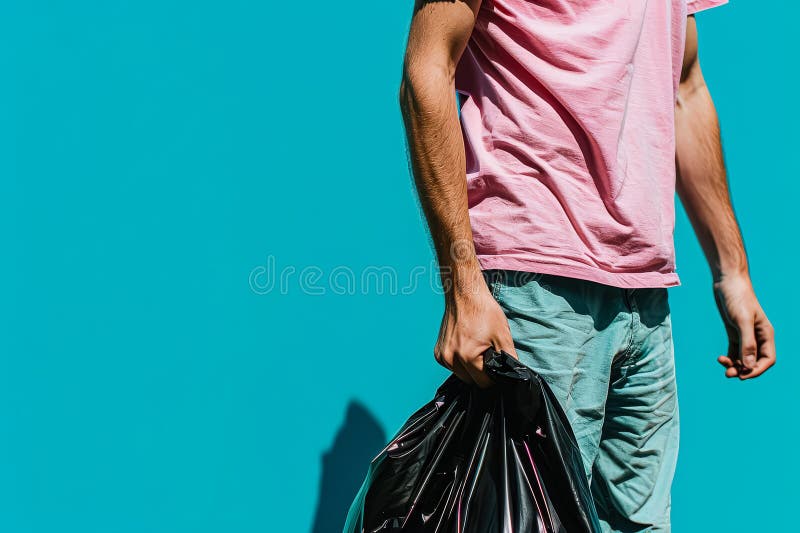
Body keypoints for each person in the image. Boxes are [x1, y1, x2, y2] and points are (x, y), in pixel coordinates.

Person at [399, 0, 775, 531]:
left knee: (641, 525)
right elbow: (427, 66)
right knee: (531, 519)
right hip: (538, 279)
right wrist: (462, 284)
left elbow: (684, 85)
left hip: (644, 294)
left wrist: (732, 271)